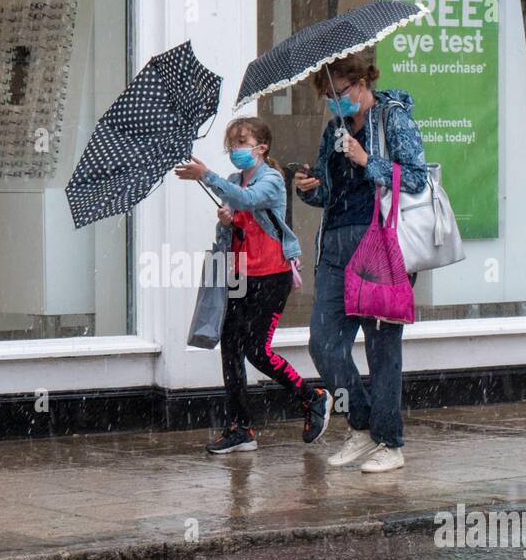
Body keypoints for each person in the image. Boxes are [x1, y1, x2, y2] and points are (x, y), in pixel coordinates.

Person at [294, 51, 427, 474]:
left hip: (381, 244)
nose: (335, 102)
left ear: (363, 82)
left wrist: (367, 160)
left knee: (381, 348)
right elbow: (327, 193)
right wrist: (308, 187)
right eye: (328, 96)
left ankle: (390, 442)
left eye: (341, 92)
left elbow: (416, 177)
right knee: (323, 343)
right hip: (336, 244)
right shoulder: (334, 128)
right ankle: (362, 425)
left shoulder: (393, 118)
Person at [177, 117, 333, 454]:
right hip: (238, 273)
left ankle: (313, 397)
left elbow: (247, 200)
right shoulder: (233, 180)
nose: (236, 150)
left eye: (242, 143)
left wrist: (206, 176)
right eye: (231, 144)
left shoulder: (272, 180)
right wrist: (228, 222)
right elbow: (239, 216)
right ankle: (240, 428)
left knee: (257, 350)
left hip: (271, 275)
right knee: (231, 350)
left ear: (262, 147)